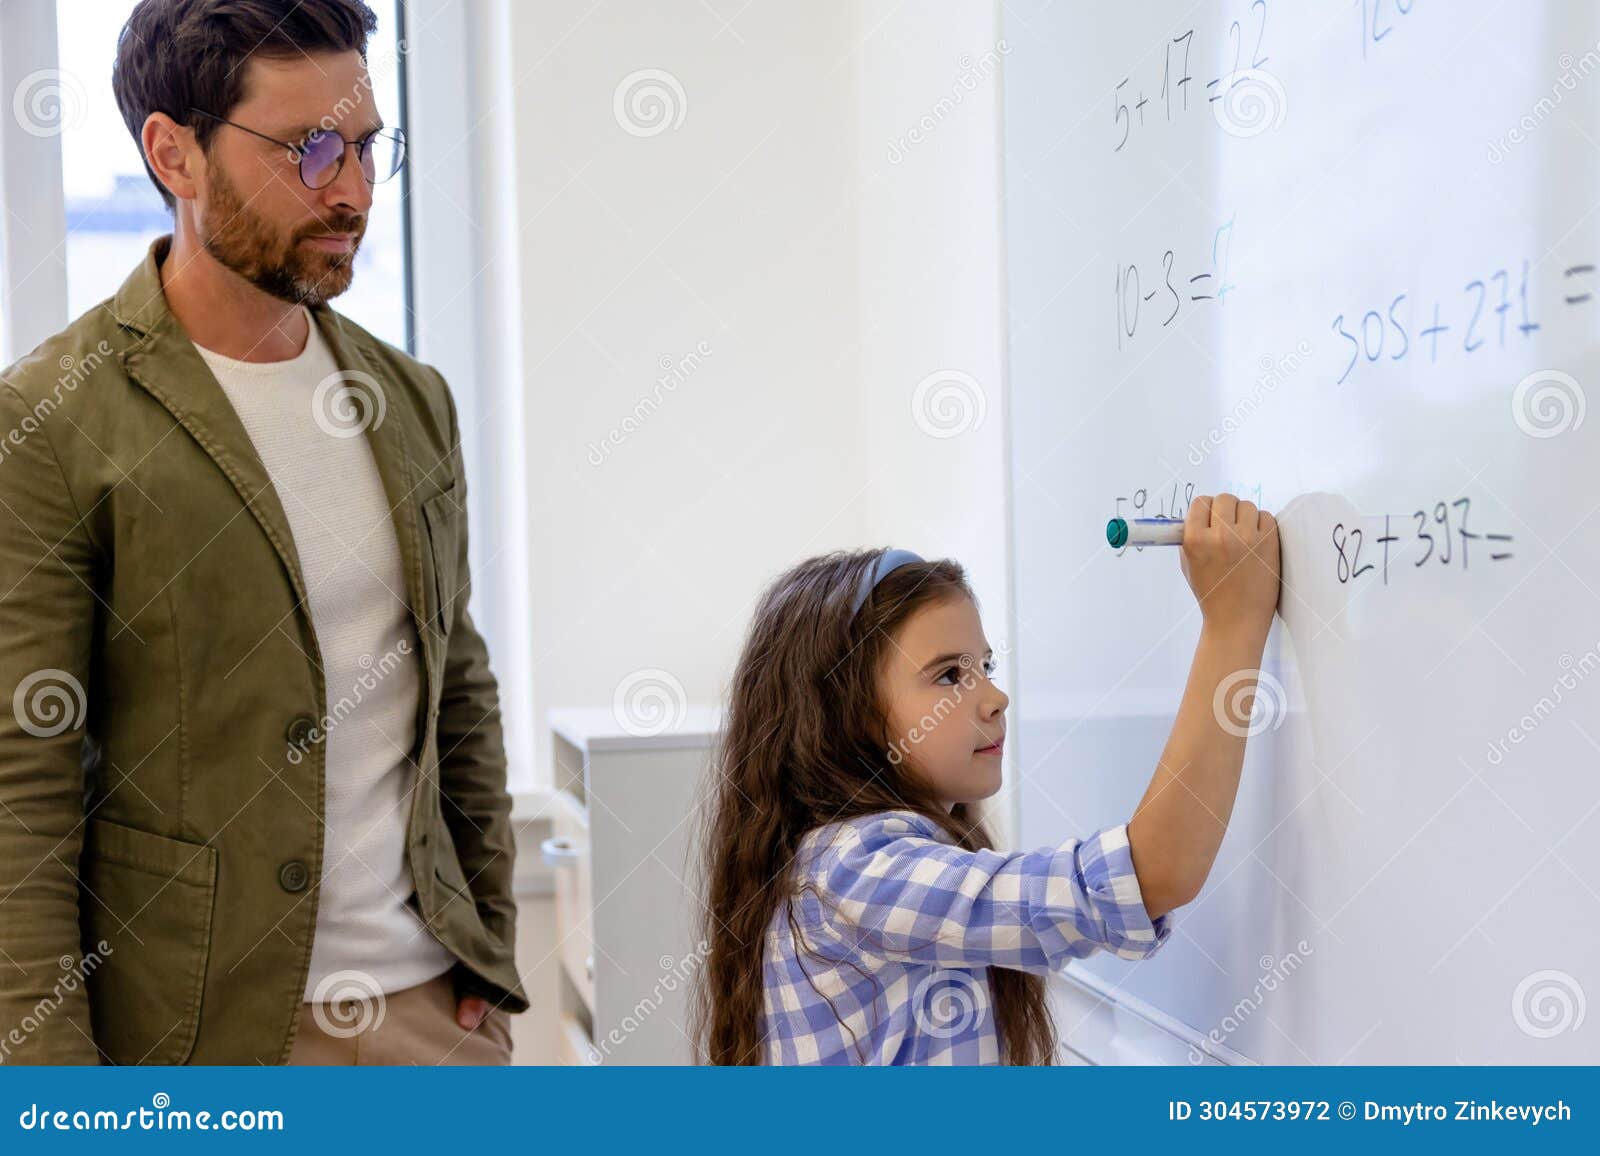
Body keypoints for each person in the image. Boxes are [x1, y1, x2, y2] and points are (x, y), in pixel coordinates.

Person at [0, 0, 523, 1064]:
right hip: (203, 1035)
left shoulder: (409, 399)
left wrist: (491, 948)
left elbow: (457, 692)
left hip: (434, 1018)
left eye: (369, 146)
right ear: (173, 153)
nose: (353, 190)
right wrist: (50, 1085)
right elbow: (22, 784)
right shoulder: (54, 421)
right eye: (309, 149)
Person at [696, 494, 1280, 1064]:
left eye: (986, 667)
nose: (996, 697)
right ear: (842, 715)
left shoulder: (882, 859)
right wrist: (1232, 627)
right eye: (950, 675)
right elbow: (1153, 872)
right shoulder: (854, 871)